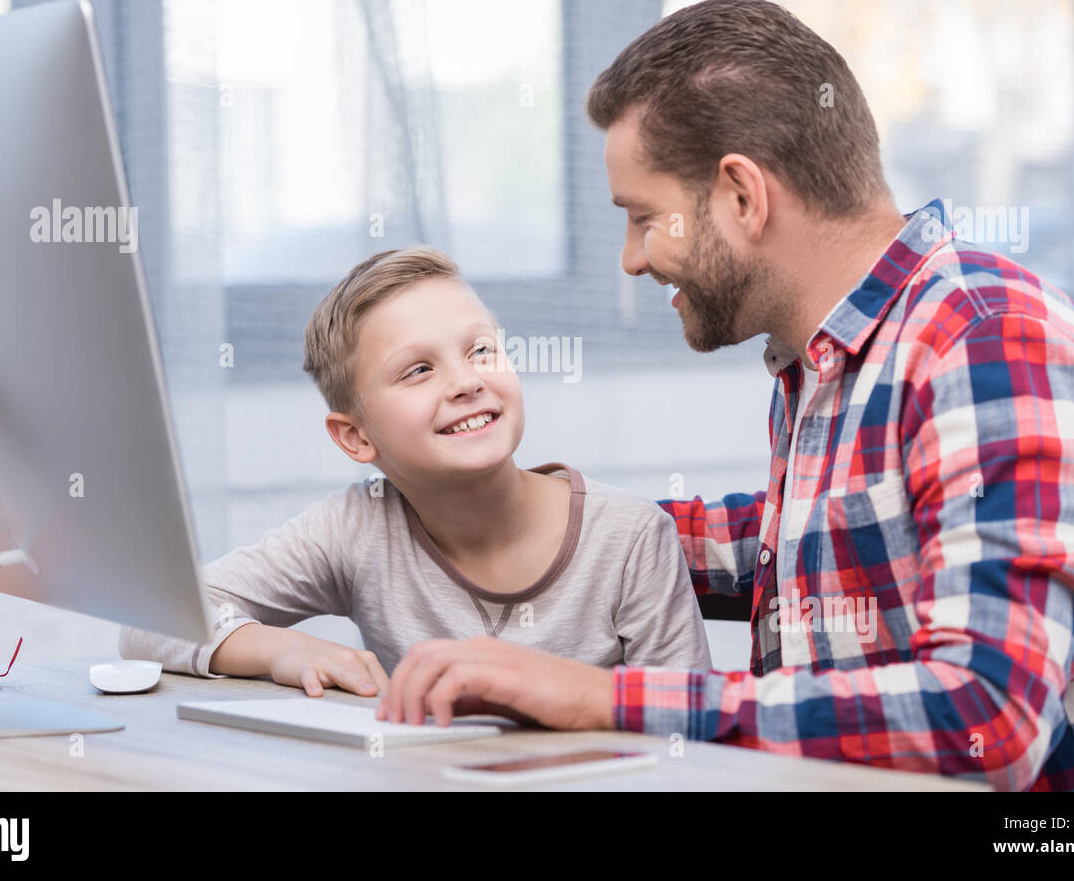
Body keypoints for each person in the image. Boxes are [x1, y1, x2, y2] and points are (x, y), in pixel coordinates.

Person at [375, 0, 1074, 792]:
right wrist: (541, 523)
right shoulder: (838, 356)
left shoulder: (990, 342)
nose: (630, 259)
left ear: (741, 196)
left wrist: (600, 699)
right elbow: (827, 540)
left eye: (642, 217)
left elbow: (987, 715)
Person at [119, 247, 712, 693]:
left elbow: (692, 733)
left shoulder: (631, 538)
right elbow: (150, 616)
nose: (466, 381)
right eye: (418, 371)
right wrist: (281, 651)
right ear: (355, 437)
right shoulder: (356, 530)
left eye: (480, 350)